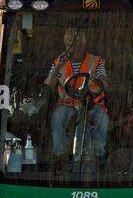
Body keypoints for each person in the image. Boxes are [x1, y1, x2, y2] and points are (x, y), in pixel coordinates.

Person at [45, 28, 109, 160]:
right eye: (70, 44)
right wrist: (58, 67)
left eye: (78, 43)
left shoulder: (97, 61)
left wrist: (96, 78)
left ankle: (98, 153)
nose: (74, 47)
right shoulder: (59, 62)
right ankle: (60, 154)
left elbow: (106, 84)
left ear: (84, 44)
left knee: (103, 118)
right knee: (57, 118)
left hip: (91, 103)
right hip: (67, 104)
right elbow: (49, 85)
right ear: (66, 45)